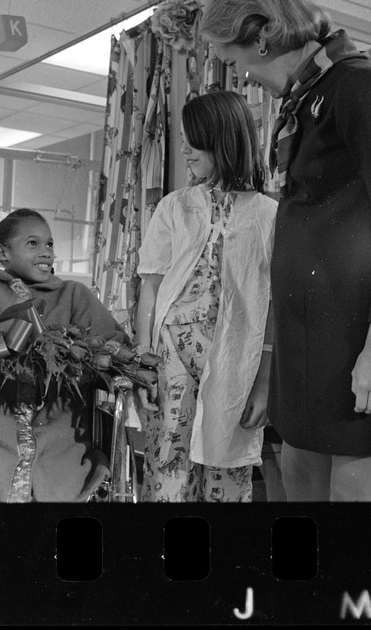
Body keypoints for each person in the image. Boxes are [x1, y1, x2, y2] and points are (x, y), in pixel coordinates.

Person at [200, 0, 371, 501]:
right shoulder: (308, 96)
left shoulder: (358, 88)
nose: (242, 76)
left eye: (234, 60)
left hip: (360, 335)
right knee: (301, 472)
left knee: (356, 483)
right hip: (314, 335)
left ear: (260, 35)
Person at [0, 209, 129, 502]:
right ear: (2, 252)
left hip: (56, 416)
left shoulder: (74, 294)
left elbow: (114, 341)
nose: (46, 252)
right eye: (33, 244)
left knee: (61, 470)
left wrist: (77, 354)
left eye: (50, 244)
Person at [135, 90, 278, 502]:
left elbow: (272, 306)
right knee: (167, 469)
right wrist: (142, 363)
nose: (183, 150)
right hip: (169, 358)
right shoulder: (174, 208)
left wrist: (264, 384)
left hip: (234, 360)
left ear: (222, 139)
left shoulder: (267, 215)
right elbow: (152, 286)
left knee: (226, 470)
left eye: (192, 140)